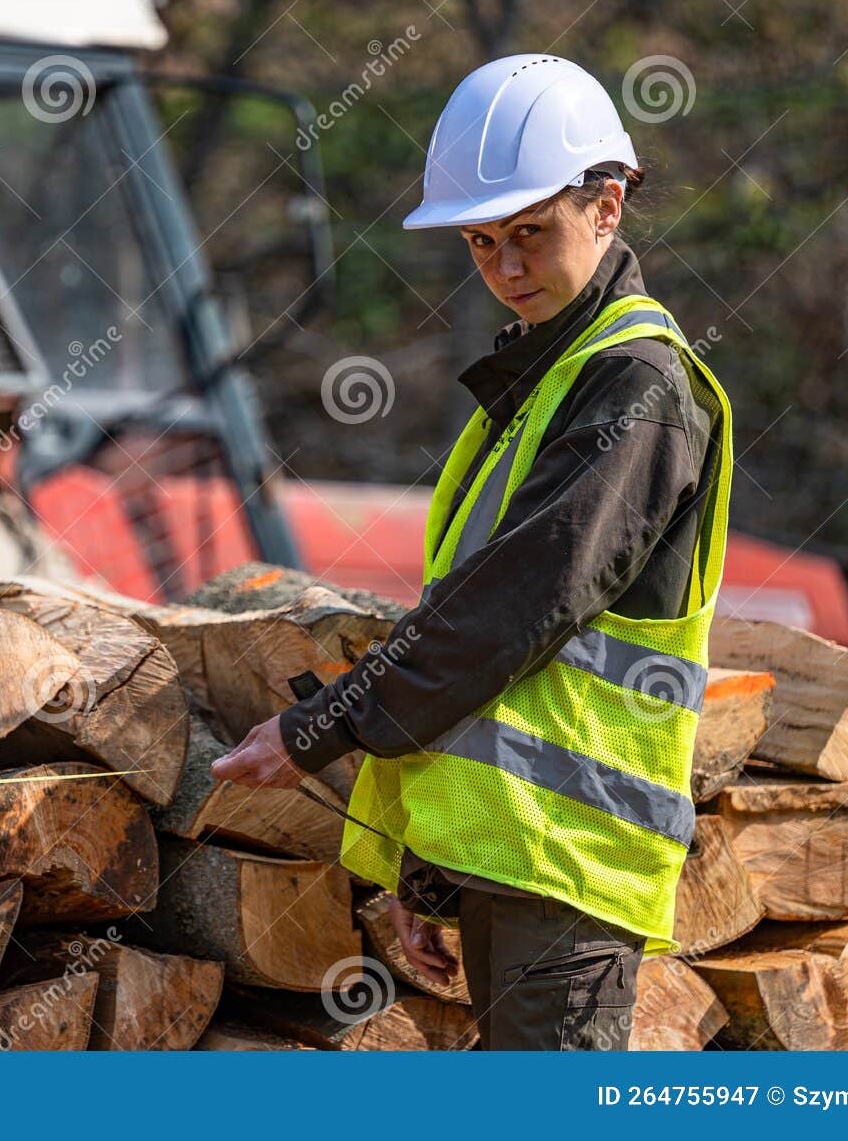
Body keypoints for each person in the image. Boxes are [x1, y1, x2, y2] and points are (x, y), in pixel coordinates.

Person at [209, 53, 733, 1051]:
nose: (505, 267)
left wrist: (320, 727)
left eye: (529, 233)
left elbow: (508, 611)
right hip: (514, 866)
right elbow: (478, 641)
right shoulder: (540, 383)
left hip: (567, 868)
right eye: (482, 241)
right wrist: (427, 869)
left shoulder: (639, 385)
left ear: (607, 206)